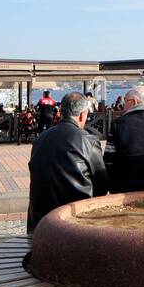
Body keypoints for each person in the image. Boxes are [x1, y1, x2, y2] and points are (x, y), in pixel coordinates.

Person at [26, 92, 108, 231]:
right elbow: (102, 185)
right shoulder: (88, 141)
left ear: (61, 112)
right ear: (83, 115)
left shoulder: (40, 139)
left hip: (38, 223)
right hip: (74, 222)